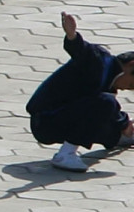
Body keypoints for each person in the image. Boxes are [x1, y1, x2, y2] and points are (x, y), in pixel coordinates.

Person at [28, 12, 134, 172]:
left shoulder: (111, 80)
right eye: (132, 83)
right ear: (131, 65)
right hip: (45, 120)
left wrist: (124, 125)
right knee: (106, 103)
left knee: (108, 112)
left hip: (65, 113)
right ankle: (65, 155)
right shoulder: (100, 61)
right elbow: (82, 51)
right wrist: (72, 36)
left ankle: (120, 137)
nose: (127, 88)